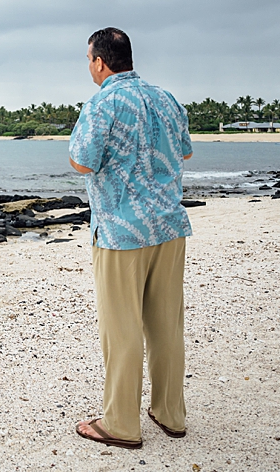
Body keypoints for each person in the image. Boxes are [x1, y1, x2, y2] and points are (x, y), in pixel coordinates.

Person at [68, 27, 193, 450]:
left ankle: (121, 423)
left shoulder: (102, 101)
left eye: (89, 59)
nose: (89, 66)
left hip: (122, 231)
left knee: (121, 329)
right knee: (166, 325)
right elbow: (185, 152)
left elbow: (82, 163)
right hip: (169, 226)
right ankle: (170, 413)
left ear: (100, 62)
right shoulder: (166, 98)